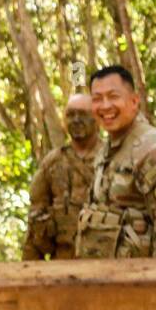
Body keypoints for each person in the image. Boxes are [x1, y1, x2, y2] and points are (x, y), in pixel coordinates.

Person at [75, 65, 156, 259]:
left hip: (139, 282)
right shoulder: (108, 148)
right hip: (105, 280)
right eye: (97, 99)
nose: (105, 106)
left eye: (113, 96)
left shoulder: (154, 151)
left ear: (134, 101)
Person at [22, 93, 99, 260]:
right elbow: (36, 219)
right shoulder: (53, 162)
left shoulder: (112, 159)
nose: (76, 120)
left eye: (83, 114)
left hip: (107, 264)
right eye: (70, 115)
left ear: (96, 117)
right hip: (63, 263)